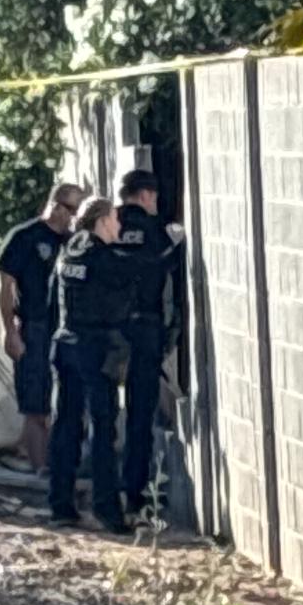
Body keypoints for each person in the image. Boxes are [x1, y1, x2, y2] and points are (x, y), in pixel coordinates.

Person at [48, 196, 138, 531]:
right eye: (115, 219)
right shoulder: (103, 258)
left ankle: (60, 506)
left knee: (66, 427)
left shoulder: (69, 250)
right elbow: (121, 299)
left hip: (65, 345)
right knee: (103, 430)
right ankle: (108, 512)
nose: (119, 226)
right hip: (93, 350)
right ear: (101, 222)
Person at [0, 182, 85, 471]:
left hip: (65, 330)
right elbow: (4, 282)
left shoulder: (72, 243)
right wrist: (9, 329)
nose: (73, 216)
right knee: (36, 406)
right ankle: (40, 469)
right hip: (33, 327)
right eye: (71, 209)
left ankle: (56, 467)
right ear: (56, 205)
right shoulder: (25, 236)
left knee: (64, 405)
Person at [112, 170, 181, 522]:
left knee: (101, 412)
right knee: (140, 415)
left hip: (107, 333)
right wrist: (179, 246)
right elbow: (160, 270)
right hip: (145, 328)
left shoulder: (105, 226)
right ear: (146, 195)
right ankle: (134, 494)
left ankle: (105, 494)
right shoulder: (154, 231)